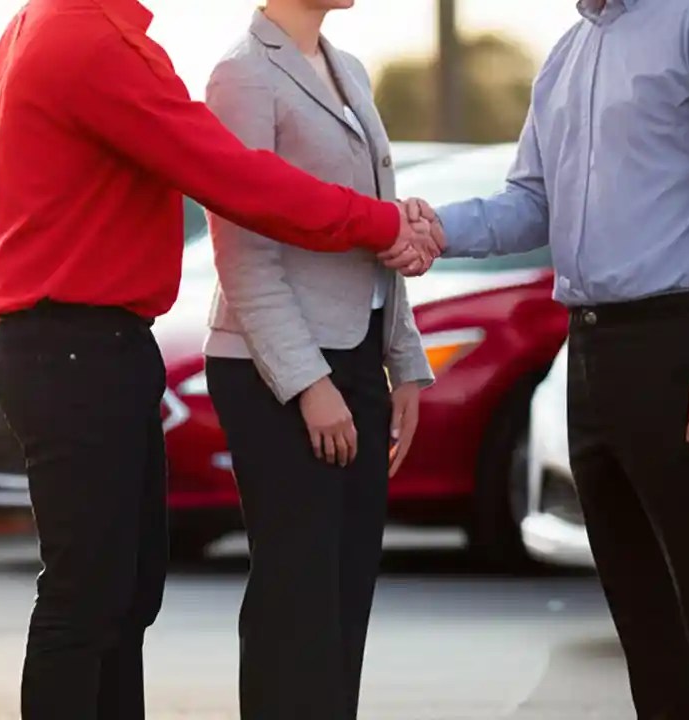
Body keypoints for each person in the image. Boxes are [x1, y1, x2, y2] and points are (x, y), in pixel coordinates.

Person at [0, 1, 440, 718]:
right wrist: (380, 222)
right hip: (75, 350)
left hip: (92, 346)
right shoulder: (91, 40)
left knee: (121, 597)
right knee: (89, 600)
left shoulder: (52, 24)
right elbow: (233, 177)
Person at [408, 0, 689, 717]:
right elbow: (530, 205)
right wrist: (439, 230)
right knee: (640, 613)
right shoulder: (566, 56)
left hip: (679, 345)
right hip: (587, 350)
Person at [202, 3, 434, 719]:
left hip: (358, 356)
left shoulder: (347, 68)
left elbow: (377, 228)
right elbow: (243, 251)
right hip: (275, 367)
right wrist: (308, 384)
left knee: (343, 592)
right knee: (296, 597)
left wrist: (405, 359)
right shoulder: (241, 77)